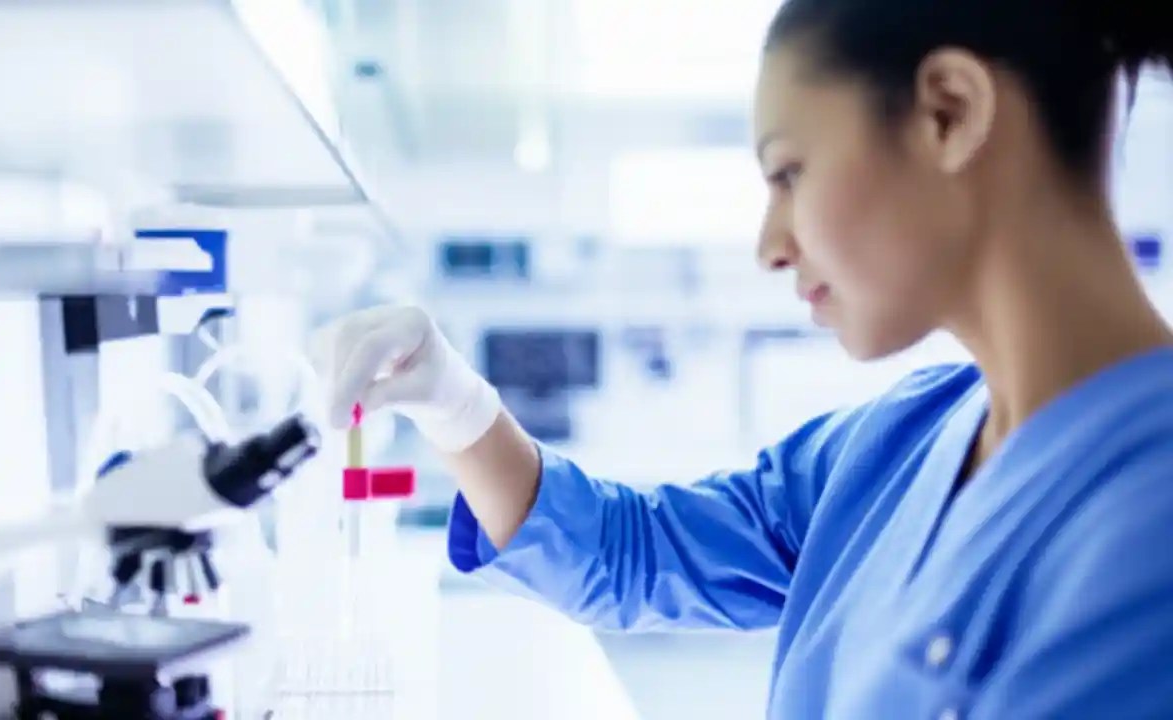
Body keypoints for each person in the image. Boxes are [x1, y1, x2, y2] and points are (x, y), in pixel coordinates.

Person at [311, 1, 1173, 717]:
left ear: (950, 113)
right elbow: (634, 551)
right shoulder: (905, 442)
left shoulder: (1148, 525)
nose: (769, 245)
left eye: (789, 172)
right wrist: (455, 404)